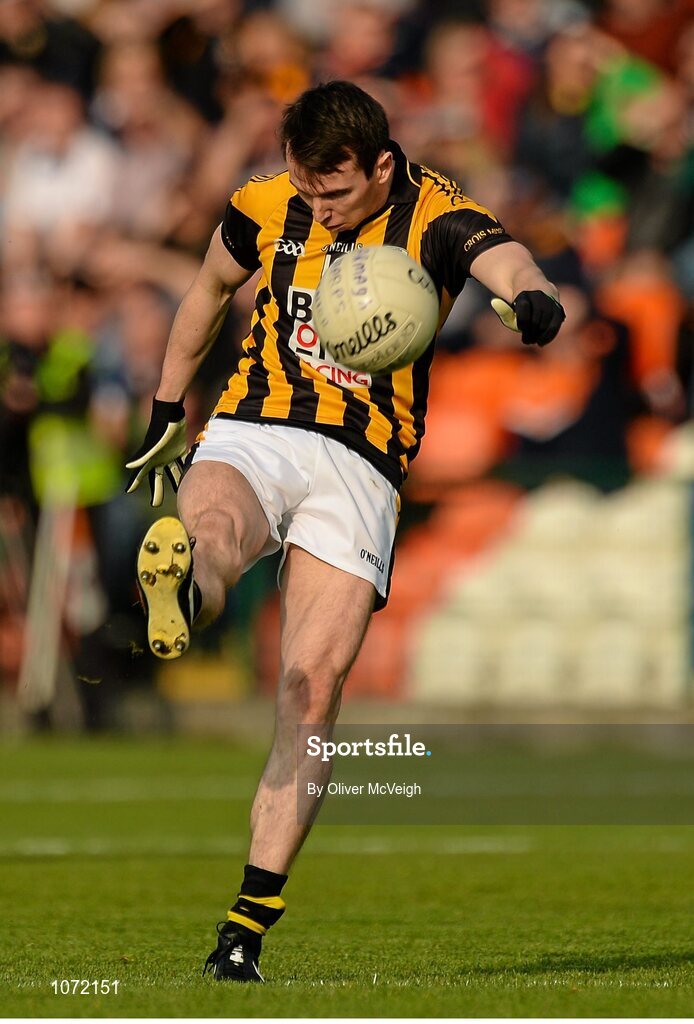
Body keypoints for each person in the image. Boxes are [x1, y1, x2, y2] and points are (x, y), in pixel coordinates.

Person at [125, 80, 565, 982]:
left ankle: (244, 928)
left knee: (311, 688)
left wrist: (535, 299)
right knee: (213, 527)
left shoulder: (437, 216)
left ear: (383, 166)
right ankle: (183, 585)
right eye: (307, 190)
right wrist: (168, 405)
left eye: (335, 192)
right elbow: (209, 286)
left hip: (362, 463)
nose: (318, 209)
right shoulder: (263, 204)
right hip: (254, 423)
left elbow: (509, 259)